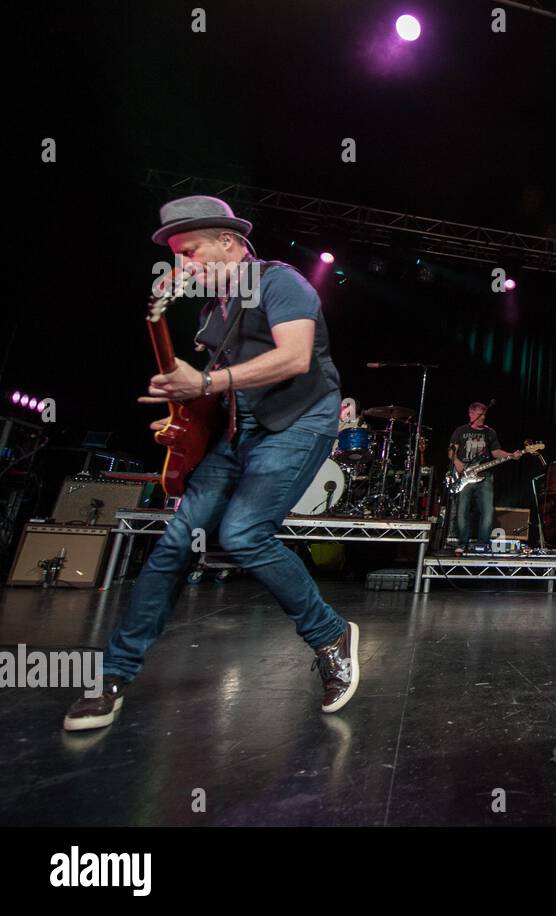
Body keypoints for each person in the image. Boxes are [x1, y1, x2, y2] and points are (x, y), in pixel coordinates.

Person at [64, 195, 358, 731]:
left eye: (192, 252)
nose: (184, 266)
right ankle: (112, 675)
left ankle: (330, 634)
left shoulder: (279, 281)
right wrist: (186, 412)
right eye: (178, 257)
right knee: (176, 541)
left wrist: (203, 382)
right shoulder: (210, 317)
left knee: (245, 532)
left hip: (300, 421)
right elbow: (216, 393)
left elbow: (294, 357)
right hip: (237, 431)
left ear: (229, 241)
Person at [447, 402, 522, 544]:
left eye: (484, 415)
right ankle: (462, 544)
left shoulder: (489, 432)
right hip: (464, 476)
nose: (483, 418)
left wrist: (511, 455)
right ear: (471, 414)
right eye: (480, 415)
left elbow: (495, 452)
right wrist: (457, 462)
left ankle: (482, 546)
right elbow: (451, 451)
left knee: (487, 513)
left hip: (485, 476)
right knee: (462, 512)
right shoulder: (460, 431)